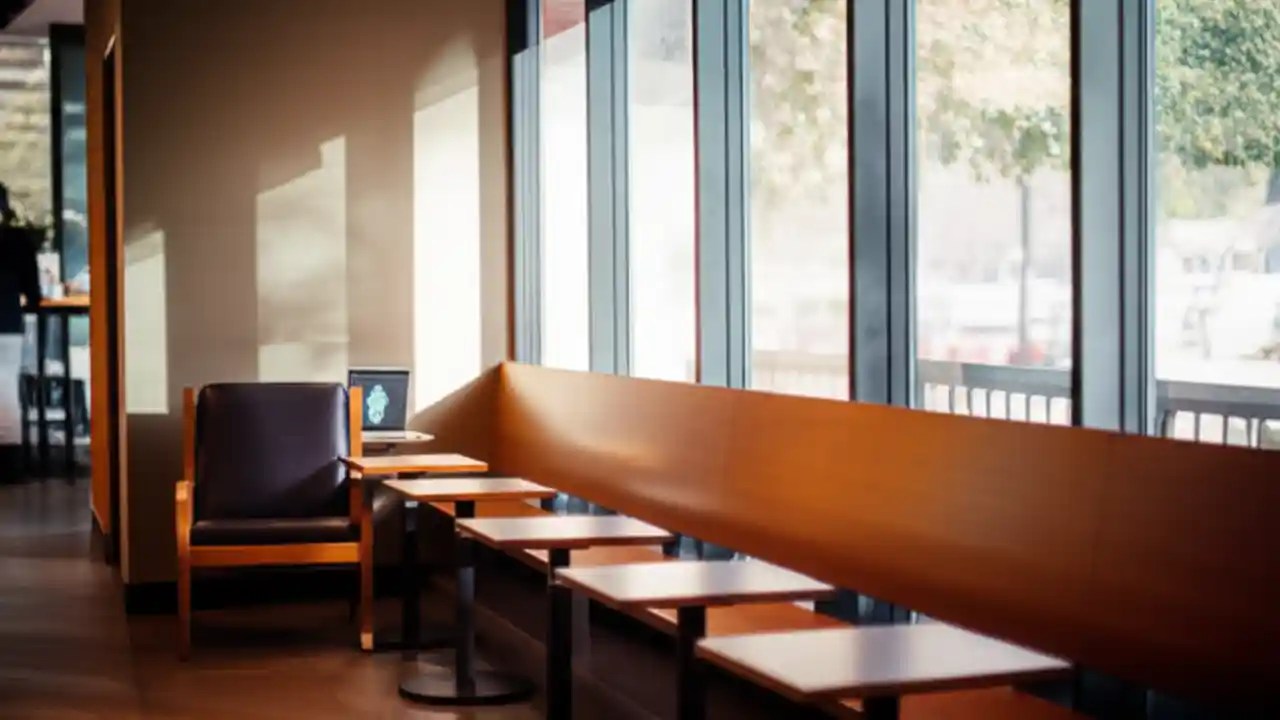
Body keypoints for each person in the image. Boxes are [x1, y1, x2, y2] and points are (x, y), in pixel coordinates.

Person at [0, 182, 41, 482]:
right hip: (6, 319)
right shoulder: (15, 240)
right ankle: (9, 463)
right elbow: (33, 290)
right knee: (5, 390)